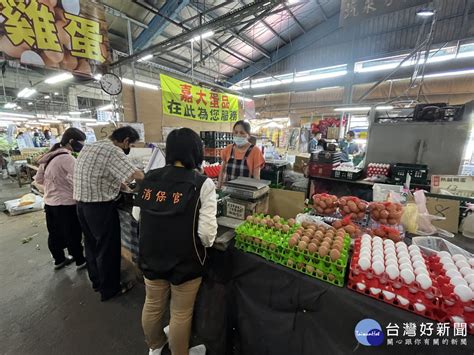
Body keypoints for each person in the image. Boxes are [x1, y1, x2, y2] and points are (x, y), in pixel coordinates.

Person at [137, 128, 217, 355]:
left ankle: (155, 346)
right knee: (180, 313)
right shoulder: (202, 183)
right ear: (196, 152)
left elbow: (137, 215)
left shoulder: (150, 177)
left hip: (151, 254)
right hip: (185, 259)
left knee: (152, 305)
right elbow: (207, 235)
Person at [74, 126, 144, 302]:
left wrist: (124, 187)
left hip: (81, 205)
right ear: (126, 141)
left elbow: (103, 174)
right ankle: (110, 289)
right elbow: (137, 174)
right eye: (131, 145)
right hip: (99, 207)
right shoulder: (113, 151)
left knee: (91, 244)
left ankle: (97, 281)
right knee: (107, 248)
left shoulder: (91, 146)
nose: (130, 149)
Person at [35, 128, 87, 270]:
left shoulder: (48, 157)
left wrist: (54, 186)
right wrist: (63, 186)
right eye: (80, 143)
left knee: (54, 233)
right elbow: (82, 179)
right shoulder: (67, 158)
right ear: (71, 142)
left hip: (49, 203)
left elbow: (38, 179)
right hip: (66, 203)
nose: (81, 146)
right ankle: (80, 260)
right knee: (73, 233)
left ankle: (59, 260)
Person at [217, 120, 265, 188]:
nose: (238, 135)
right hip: (228, 191)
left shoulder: (255, 151)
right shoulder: (228, 149)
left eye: (242, 133)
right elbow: (222, 172)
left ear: (248, 135)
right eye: (236, 132)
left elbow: (256, 177)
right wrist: (218, 187)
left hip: (246, 193)